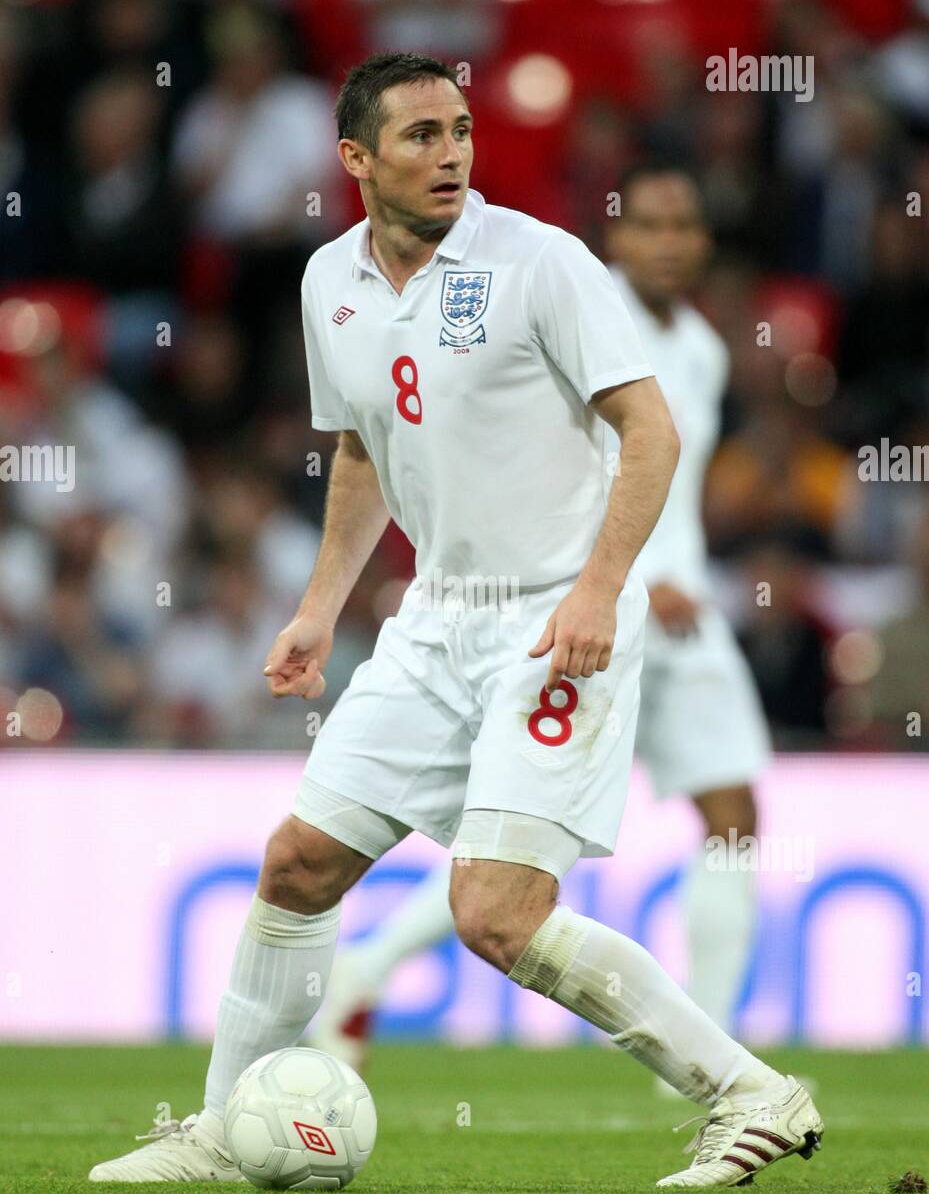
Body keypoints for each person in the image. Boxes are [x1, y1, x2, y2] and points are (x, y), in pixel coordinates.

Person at [91, 53, 822, 1189]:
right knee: (295, 864)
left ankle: (750, 1093)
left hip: (552, 619)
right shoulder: (328, 280)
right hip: (433, 620)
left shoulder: (541, 263)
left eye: (461, 131)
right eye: (421, 135)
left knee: (493, 909)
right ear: (355, 158)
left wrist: (595, 589)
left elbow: (653, 433)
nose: (450, 155)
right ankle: (224, 1131)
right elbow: (357, 449)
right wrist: (318, 607)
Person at [309, 162, 771, 1082]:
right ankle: (366, 969)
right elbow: (571, 464)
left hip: (678, 608)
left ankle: (712, 1039)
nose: (670, 243)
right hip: (584, 596)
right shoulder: (582, 305)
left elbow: (666, 478)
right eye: (649, 225)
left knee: (733, 813)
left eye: (685, 225)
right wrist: (625, 573)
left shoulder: (706, 347)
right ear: (618, 238)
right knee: (507, 844)